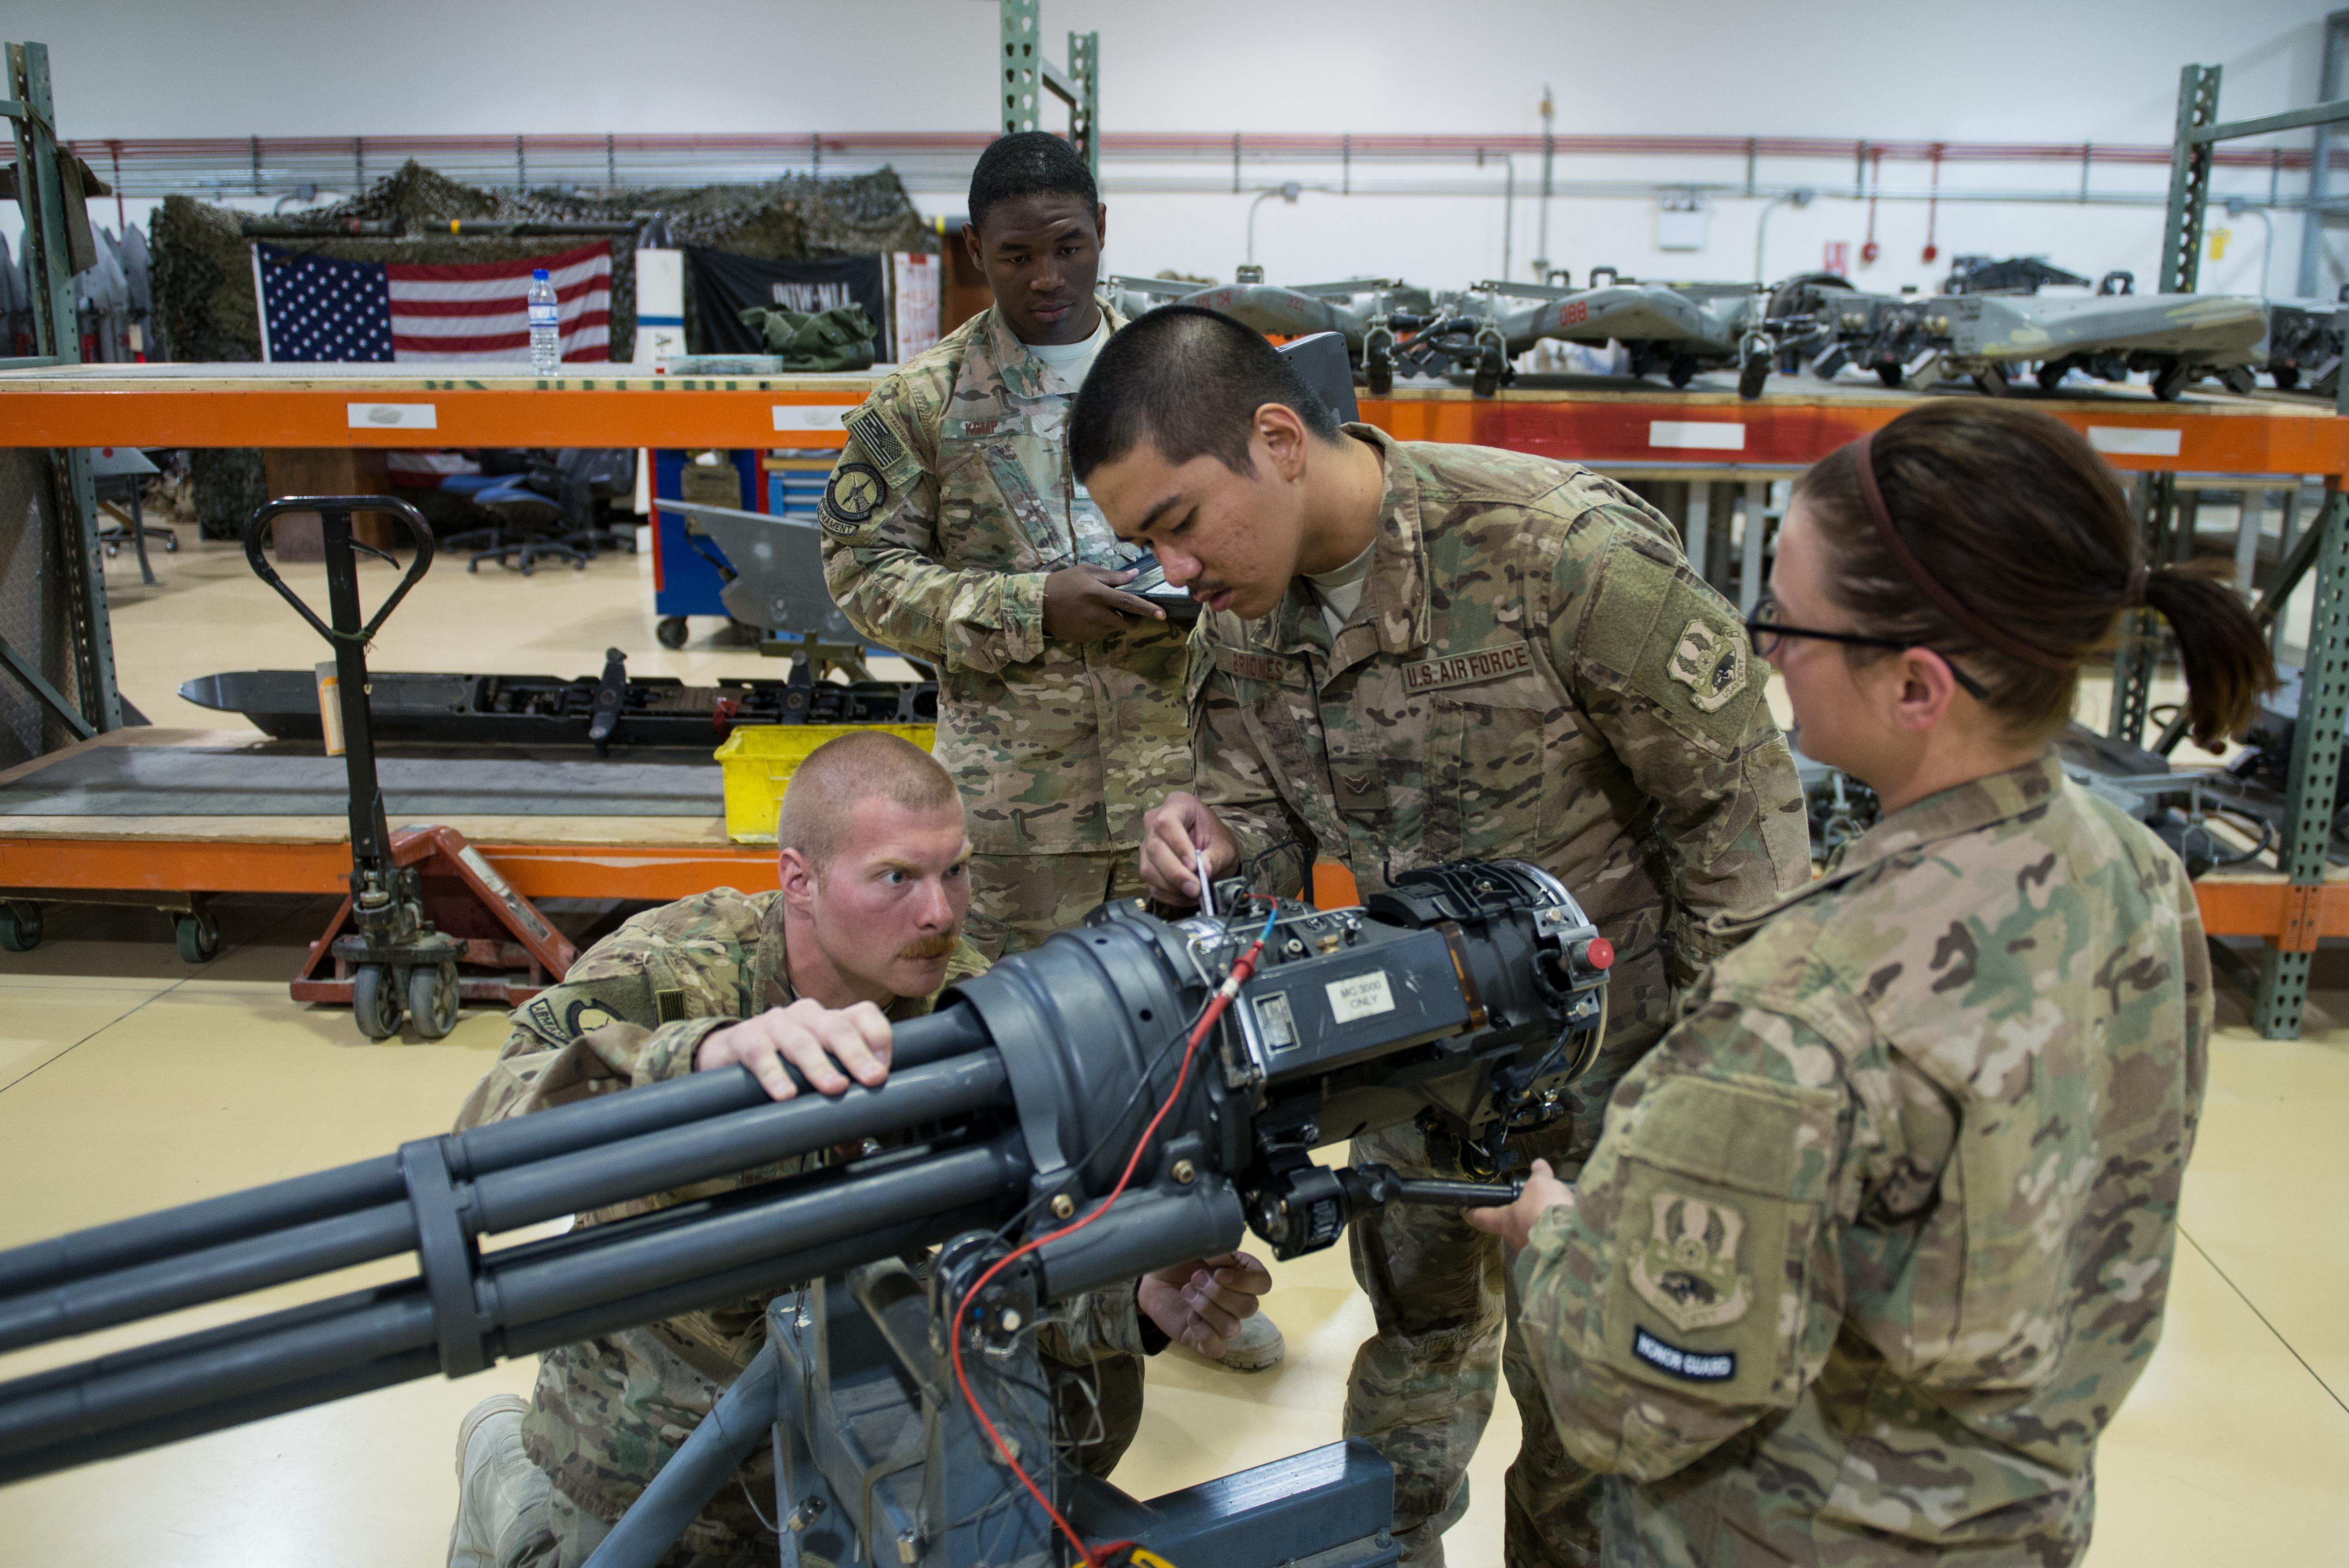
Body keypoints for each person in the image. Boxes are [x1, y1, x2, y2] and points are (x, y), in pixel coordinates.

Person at [1069, 306, 1810, 1568]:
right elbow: (1256, 802)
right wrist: (1212, 837)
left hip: (1620, 1073)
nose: (1171, 570)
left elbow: (1736, 824)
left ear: (1276, 439)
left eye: (1177, 522)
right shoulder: (1243, 611)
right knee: (1415, 1356)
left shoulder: (1559, 556)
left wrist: (1720, 1103)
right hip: (1418, 1059)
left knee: (1594, 1408)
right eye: (1142, 543)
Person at [1468, 400, 2261, 1565]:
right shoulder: (2131, 869)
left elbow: (1625, 1403)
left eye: (1787, 615)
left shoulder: (1802, 1005)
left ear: (1919, 686)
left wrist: (1554, 1239)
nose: (1766, 648)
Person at [445, 732, 1273, 1568]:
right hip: (662, 1437)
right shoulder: (676, 966)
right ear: (798, 880)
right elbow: (491, 1127)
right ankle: (503, 1482)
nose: (939, 914)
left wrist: (1130, 1298)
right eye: (896, 878)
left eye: (955, 871)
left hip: (869, 1445)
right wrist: (695, 1064)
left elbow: (997, 1255)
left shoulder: (973, 1008)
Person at [818, 129, 1283, 1374]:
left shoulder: (1174, 377)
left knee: (1200, 1048)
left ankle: (1188, 1282)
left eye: (1066, 247)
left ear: (1101, 234)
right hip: (1009, 812)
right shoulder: (919, 406)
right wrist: (1029, 610)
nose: (1045, 277)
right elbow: (859, 577)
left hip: (1179, 785)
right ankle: (1031, 1299)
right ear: (978, 254)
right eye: (1014, 255)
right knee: (1023, 1066)